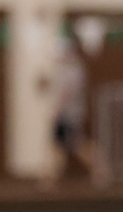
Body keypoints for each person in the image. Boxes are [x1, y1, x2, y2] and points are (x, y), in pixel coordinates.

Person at [40, 43, 109, 189]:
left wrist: (57, 110)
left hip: (68, 114)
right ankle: (50, 177)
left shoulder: (73, 71)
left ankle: (100, 167)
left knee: (76, 145)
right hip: (68, 113)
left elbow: (66, 93)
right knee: (58, 145)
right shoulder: (66, 71)